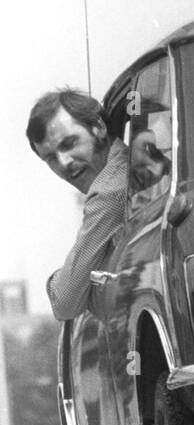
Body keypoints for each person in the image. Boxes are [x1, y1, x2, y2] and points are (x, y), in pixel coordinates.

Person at [26, 88, 128, 322]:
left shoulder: (110, 191)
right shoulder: (126, 170)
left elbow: (64, 303)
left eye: (69, 144)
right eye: (50, 157)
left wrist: (56, 281)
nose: (64, 163)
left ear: (99, 127)